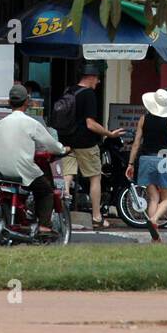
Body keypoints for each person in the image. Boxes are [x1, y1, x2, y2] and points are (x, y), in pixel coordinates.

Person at [0, 84, 66, 235]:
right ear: (27, 102)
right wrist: (63, 149)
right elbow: (50, 144)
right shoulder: (31, 123)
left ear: (9, 103)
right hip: (22, 169)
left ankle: (23, 218)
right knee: (46, 191)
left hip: (1, 169)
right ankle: (44, 226)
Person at [56, 62, 124, 229]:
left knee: (67, 175)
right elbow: (90, 124)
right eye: (97, 79)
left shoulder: (69, 91)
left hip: (66, 142)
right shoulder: (89, 95)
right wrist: (109, 133)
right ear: (91, 77)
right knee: (95, 178)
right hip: (85, 143)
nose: (98, 82)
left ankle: (62, 212)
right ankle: (96, 216)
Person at [126, 89, 167, 243]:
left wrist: (130, 163)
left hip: (144, 159)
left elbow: (136, 143)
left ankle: (155, 236)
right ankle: (154, 219)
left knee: (153, 197)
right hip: (162, 160)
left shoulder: (143, 119)